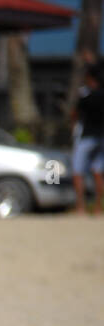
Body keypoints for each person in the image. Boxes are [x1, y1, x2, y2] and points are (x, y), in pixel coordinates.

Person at [72, 62, 104, 215]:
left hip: (87, 136)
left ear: (90, 79)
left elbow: (75, 113)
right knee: (98, 172)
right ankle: (98, 208)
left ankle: (81, 207)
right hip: (101, 137)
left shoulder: (86, 96)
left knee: (78, 172)